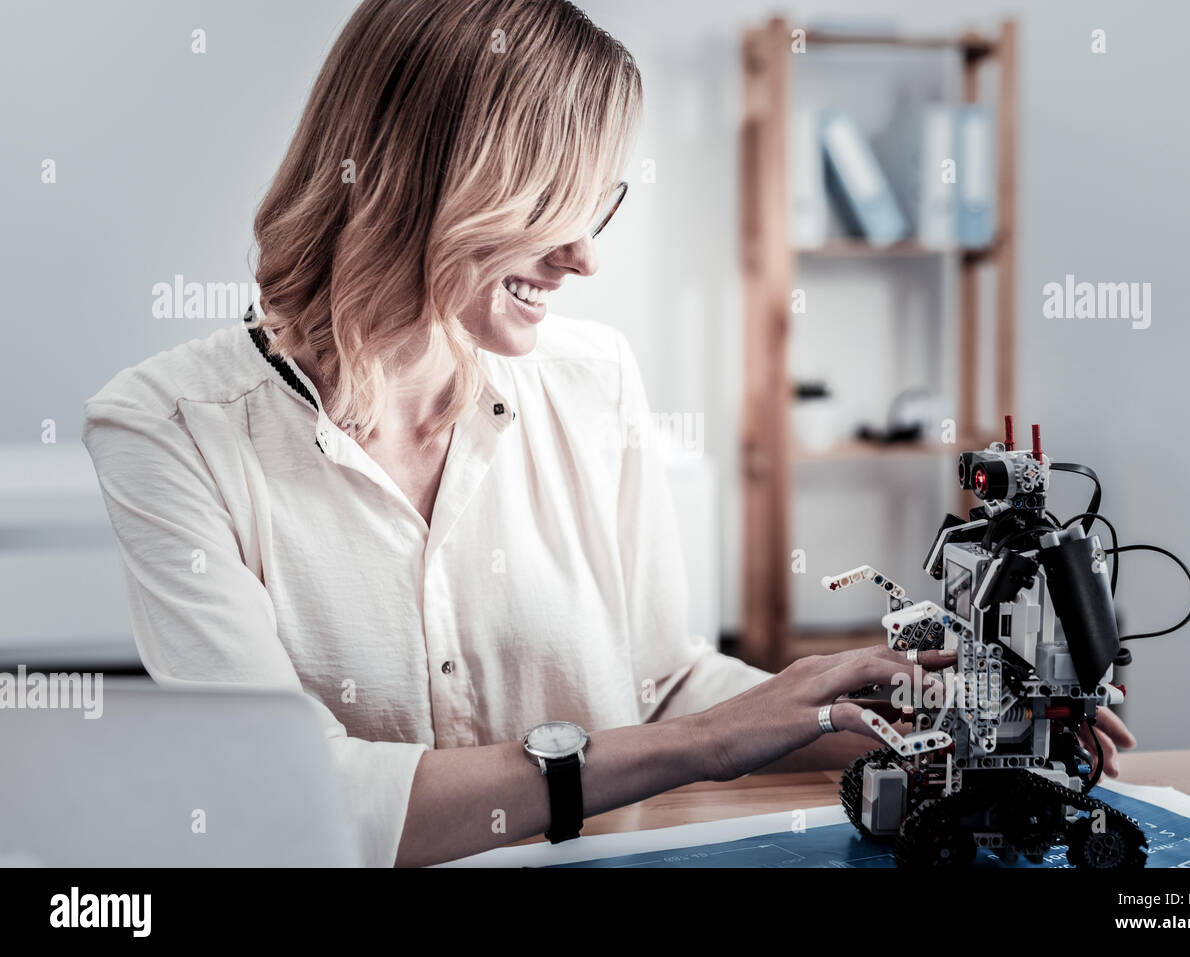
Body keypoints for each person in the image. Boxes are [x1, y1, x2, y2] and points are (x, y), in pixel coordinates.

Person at [81, 0, 1134, 868]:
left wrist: (877, 712)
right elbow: (288, 806)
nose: (584, 255)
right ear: (426, 181)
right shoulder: (168, 430)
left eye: (601, 204)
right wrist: (708, 742)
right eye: (552, 203)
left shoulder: (593, 380)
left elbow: (661, 685)